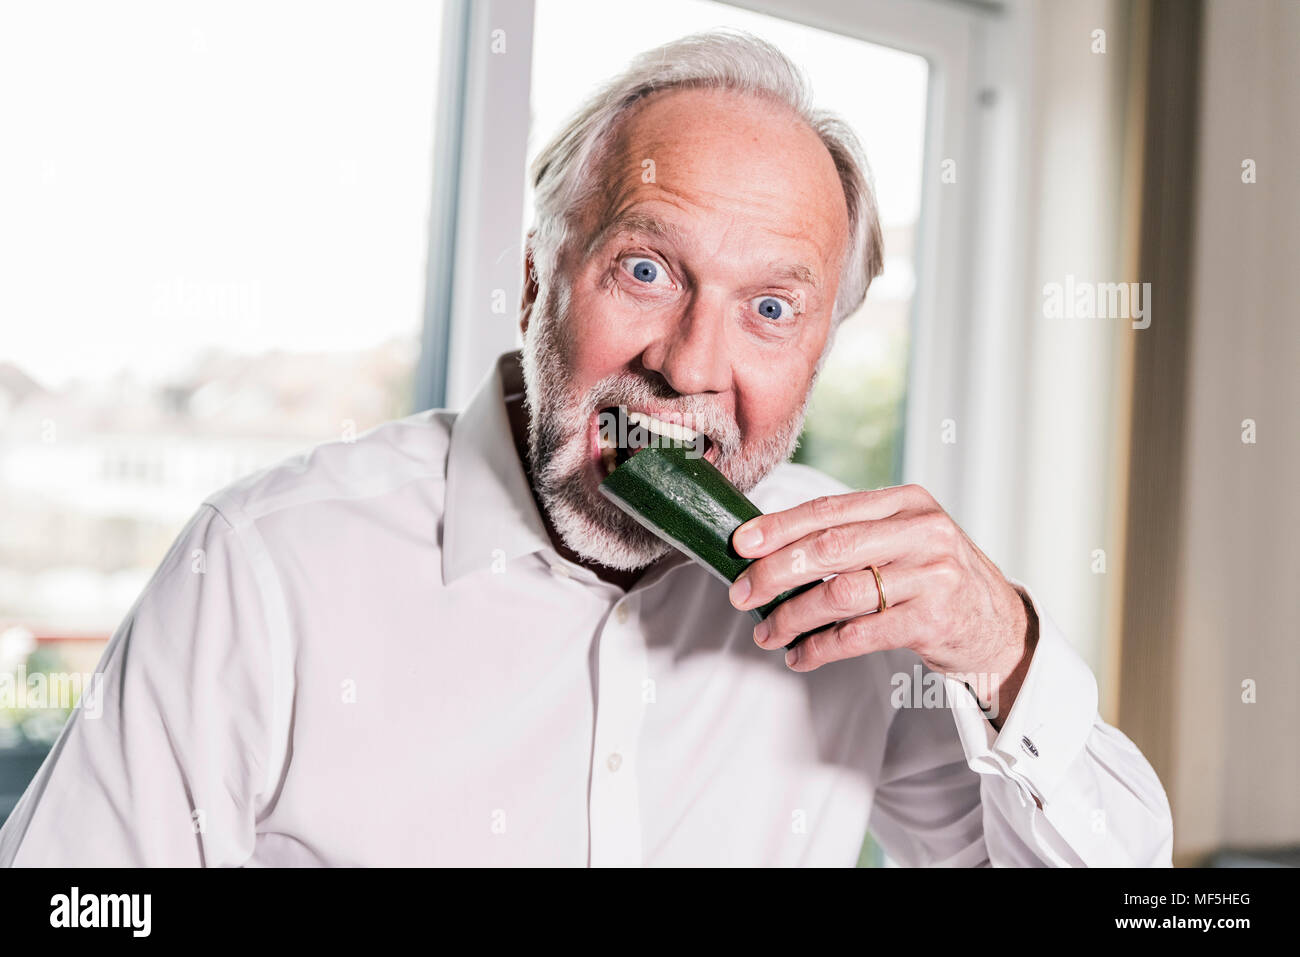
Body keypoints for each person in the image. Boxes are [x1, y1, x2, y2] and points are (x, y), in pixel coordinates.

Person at [0, 30, 1172, 867]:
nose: (690, 363)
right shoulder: (265, 566)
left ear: (819, 350)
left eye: (772, 308)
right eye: (647, 270)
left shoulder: (858, 604)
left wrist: (1003, 649)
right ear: (533, 278)